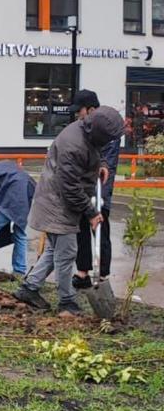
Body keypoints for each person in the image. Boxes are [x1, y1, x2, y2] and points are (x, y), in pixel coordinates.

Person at [15, 105, 126, 315]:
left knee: (53, 250)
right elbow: (70, 188)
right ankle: (67, 301)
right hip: (57, 204)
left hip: (58, 201)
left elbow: (95, 149)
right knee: (66, 254)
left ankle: (29, 288)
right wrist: (92, 213)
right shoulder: (73, 145)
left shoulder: (85, 130)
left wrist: (100, 163)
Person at [71, 92, 124, 287]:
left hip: (100, 187)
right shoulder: (86, 128)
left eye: (80, 111)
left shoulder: (106, 130)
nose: (78, 115)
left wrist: (100, 199)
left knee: (101, 228)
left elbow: (106, 166)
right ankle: (83, 273)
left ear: (91, 109)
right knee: (82, 229)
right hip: (85, 188)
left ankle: (102, 275)